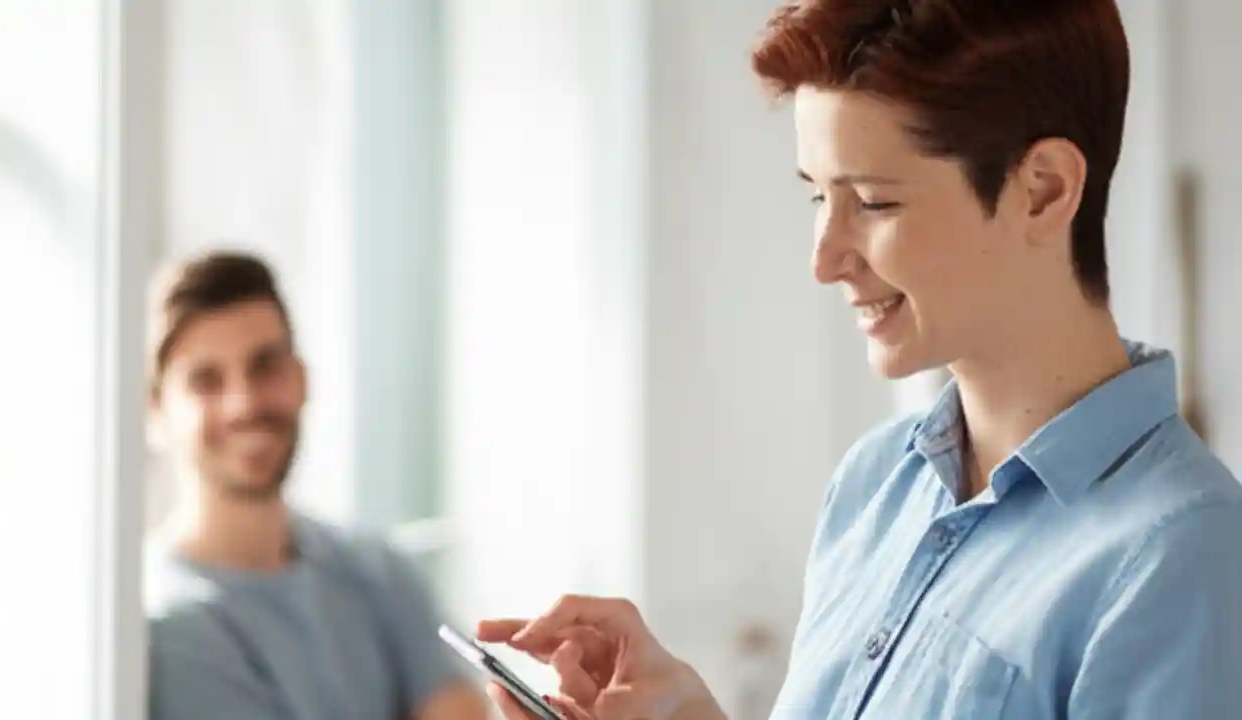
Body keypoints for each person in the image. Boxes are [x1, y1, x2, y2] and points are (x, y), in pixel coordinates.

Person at [478, 1, 1242, 718]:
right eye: (818, 197)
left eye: (874, 202)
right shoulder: (876, 484)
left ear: (1042, 191)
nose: (825, 259)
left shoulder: (1184, 559)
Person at [144, 251, 487, 720]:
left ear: (301, 378)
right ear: (156, 412)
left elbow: (464, 711)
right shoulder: (167, 626)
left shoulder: (381, 570)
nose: (244, 404)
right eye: (206, 381)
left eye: (264, 366)